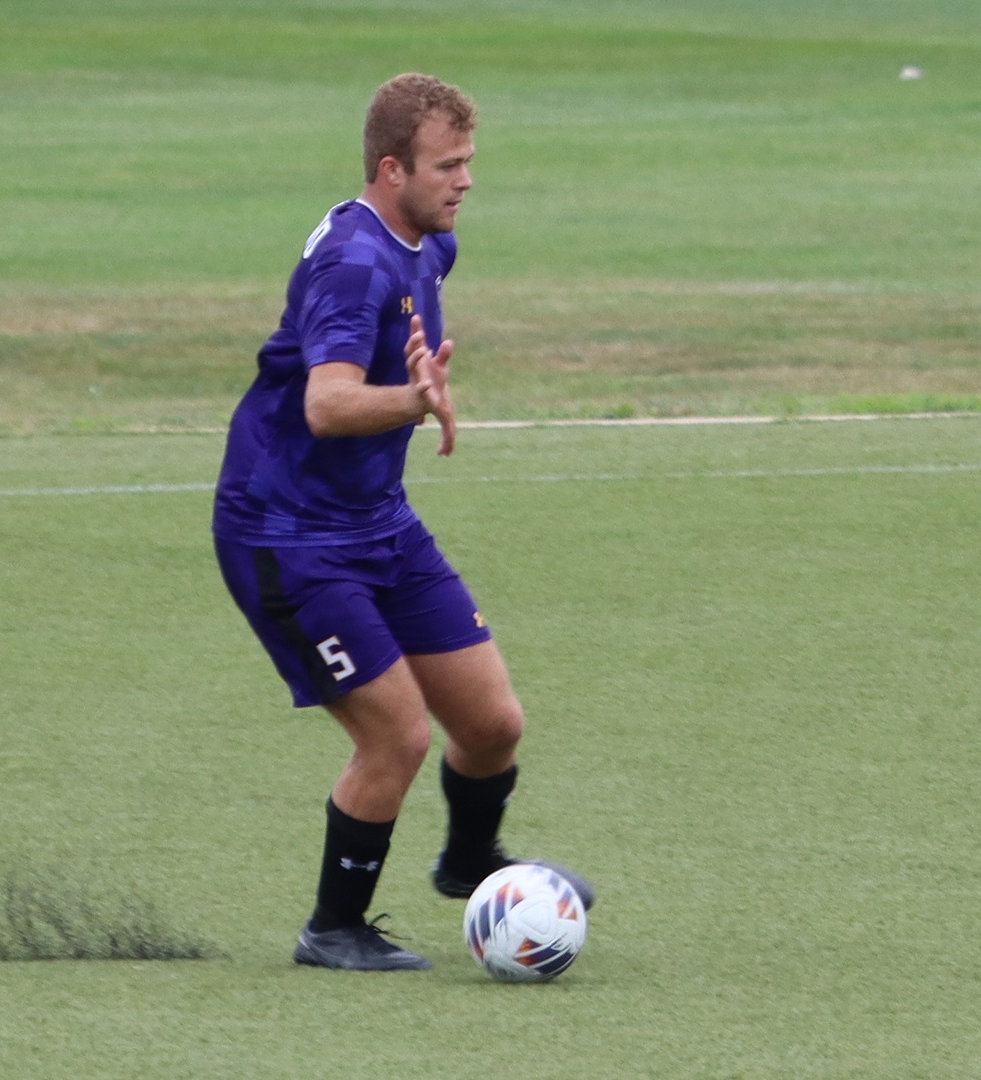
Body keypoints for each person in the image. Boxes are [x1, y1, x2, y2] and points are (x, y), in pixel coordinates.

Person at [212, 72, 593, 972]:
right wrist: (417, 401)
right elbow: (328, 406)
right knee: (398, 735)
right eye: (447, 165)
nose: (465, 181)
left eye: (469, 163)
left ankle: (468, 865)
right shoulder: (356, 264)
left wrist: (419, 388)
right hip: (287, 535)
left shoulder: (426, 245)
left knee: (493, 724)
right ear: (391, 170)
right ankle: (332, 929)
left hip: (377, 522)